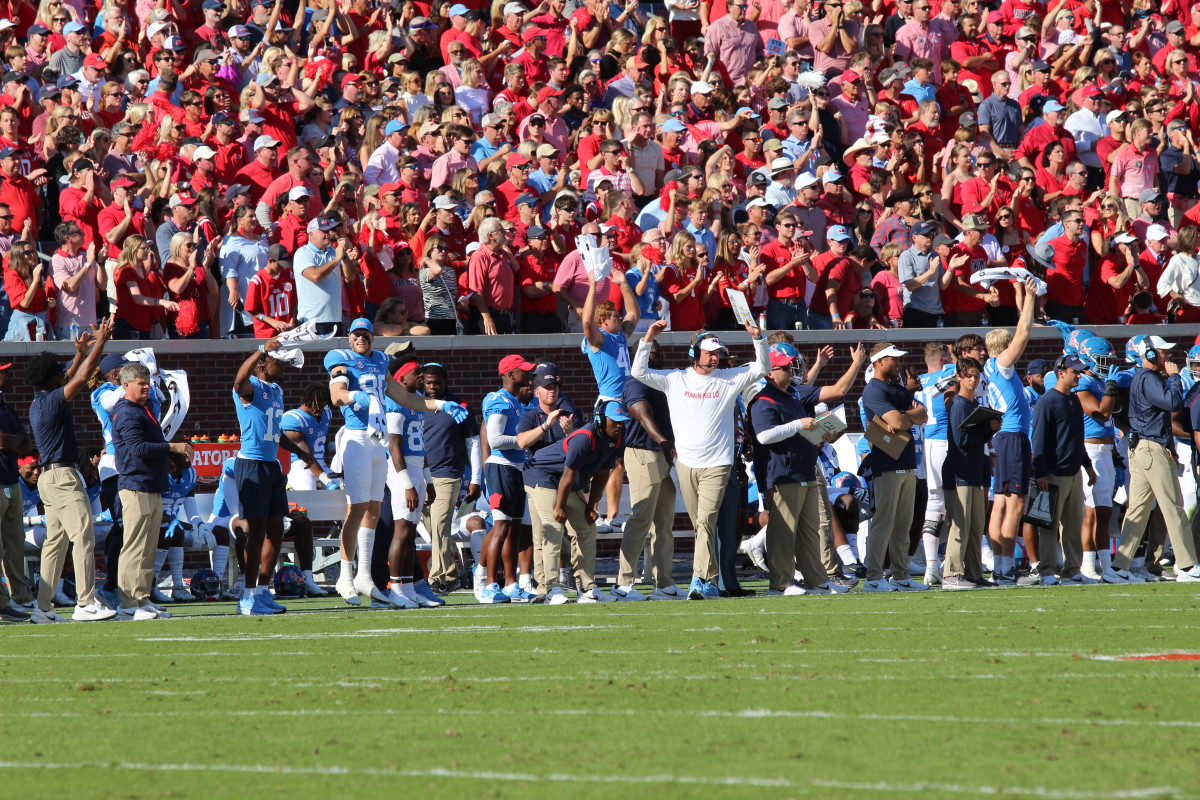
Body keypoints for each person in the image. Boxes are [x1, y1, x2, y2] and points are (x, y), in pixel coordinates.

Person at [325, 317, 467, 605]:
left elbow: (404, 397)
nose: (360, 339)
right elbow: (335, 393)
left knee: (373, 510)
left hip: (377, 443)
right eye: (356, 335)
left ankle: (365, 575)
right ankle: (345, 575)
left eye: (365, 334)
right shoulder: (340, 358)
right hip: (356, 437)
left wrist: (441, 404)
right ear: (349, 337)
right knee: (356, 509)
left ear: (372, 337)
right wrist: (353, 396)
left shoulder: (379, 361)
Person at [631, 319, 769, 600]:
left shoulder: (729, 378)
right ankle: (711, 578)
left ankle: (699, 581)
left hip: (718, 464)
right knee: (700, 526)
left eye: (718, 353)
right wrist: (648, 338)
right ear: (695, 354)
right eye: (710, 353)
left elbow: (762, 368)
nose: (716, 358)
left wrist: (759, 339)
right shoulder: (675, 379)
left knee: (706, 522)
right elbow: (638, 371)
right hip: (686, 465)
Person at [750, 341, 867, 595]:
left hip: (803, 470)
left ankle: (816, 579)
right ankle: (780, 582)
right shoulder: (763, 399)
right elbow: (764, 436)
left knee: (809, 531)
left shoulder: (792, 394)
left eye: (793, 367)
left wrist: (814, 431)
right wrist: (799, 424)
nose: (792, 373)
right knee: (784, 532)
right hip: (782, 473)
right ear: (770, 371)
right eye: (787, 368)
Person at [25, 317, 117, 623]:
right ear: (51, 381)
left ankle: (43, 608)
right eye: (58, 373)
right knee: (83, 536)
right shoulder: (52, 401)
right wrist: (101, 342)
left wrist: (79, 352)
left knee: (56, 542)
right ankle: (85, 602)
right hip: (63, 478)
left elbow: (70, 374)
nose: (63, 373)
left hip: (49, 479)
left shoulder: (40, 400)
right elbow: (78, 379)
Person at [1110, 335, 1200, 584]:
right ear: (1150, 354)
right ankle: (1187, 565)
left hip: (1141, 447)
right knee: (1173, 506)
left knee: (1137, 509)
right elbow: (1172, 402)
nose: (1168, 356)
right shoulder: (1149, 377)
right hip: (1151, 447)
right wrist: (1173, 377)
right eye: (1163, 352)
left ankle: (1119, 567)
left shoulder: (1142, 377)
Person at [111, 361, 193, 620]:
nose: (146, 387)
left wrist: (168, 455)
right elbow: (139, 449)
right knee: (134, 547)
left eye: (147, 383)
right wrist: (172, 448)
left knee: (148, 547)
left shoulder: (140, 409)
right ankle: (127, 603)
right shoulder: (126, 411)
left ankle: (142, 598)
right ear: (126, 385)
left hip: (150, 486)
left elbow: (147, 447)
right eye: (141, 384)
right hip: (136, 487)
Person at [859, 342, 929, 593]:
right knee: (884, 522)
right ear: (879, 361)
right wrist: (906, 418)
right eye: (893, 359)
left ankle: (900, 575)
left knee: (903, 523)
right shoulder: (874, 391)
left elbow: (923, 414)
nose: (898, 363)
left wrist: (905, 419)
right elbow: (900, 420)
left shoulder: (896, 388)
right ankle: (873, 578)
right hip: (886, 463)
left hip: (907, 463)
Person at [982, 278, 1038, 586]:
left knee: (1001, 503)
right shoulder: (1001, 364)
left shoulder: (995, 369)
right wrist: (1029, 297)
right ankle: (1004, 568)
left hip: (1005, 439)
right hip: (1013, 437)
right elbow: (1025, 332)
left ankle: (1001, 567)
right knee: (1015, 502)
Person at [619, 339, 682, 601]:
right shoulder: (635, 381)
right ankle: (624, 583)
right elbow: (642, 414)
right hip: (644, 453)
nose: (662, 356)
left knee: (664, 524)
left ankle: (663, 583)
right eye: (657, 353)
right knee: (641, 519)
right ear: (643, 355)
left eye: (662, 351)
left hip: (664, 458)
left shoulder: (662, 380)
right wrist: (664, 441)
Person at [1028, 353, 1098, 587]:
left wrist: (1087, 466)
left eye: (1079, 371)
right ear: (1061, 373)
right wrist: (1040, 473)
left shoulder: (1074, 400)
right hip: (1053, 473)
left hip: (1073, 472)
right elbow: (1038, 439)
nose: (1078, 375)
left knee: (1072, 523)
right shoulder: (1047, 401)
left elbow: (1077, 438)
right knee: (1048, 525)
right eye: (1074, 371)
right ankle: (1047, 570)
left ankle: (1072, 570)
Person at [420, 363, 481, 594]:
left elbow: (473, 443)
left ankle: (436, 579)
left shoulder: (460, 406)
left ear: (446, 380)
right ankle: (452, 574)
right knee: (434, 529)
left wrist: (475, 478)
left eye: (436, 382)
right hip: (422, 475)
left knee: (439, 525)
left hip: (448, 473)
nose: (433, 387)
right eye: (428, 383)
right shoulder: (416, 405)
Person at [941, 357, 995, 590]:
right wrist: (987, 428)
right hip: (959, 471)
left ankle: (973, 573)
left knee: (975, 526)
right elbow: (962, 440)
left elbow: (976, 440)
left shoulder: (974, 405)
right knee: (959, 526)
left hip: (973, 470)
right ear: (959, 377)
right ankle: (951, 574)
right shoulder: (960, 404)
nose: (974, 380)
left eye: (976, 375)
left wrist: (989, 430)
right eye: (969, 376)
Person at [0, 359, 32, 621]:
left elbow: (25, 444)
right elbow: (4, 441)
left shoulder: (7, 409)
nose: (8, 376)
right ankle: (2, 603)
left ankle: (21, 597)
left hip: (11, 481)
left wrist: (12, 443)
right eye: (3, 373)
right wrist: (14, 442)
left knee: (15, 544)